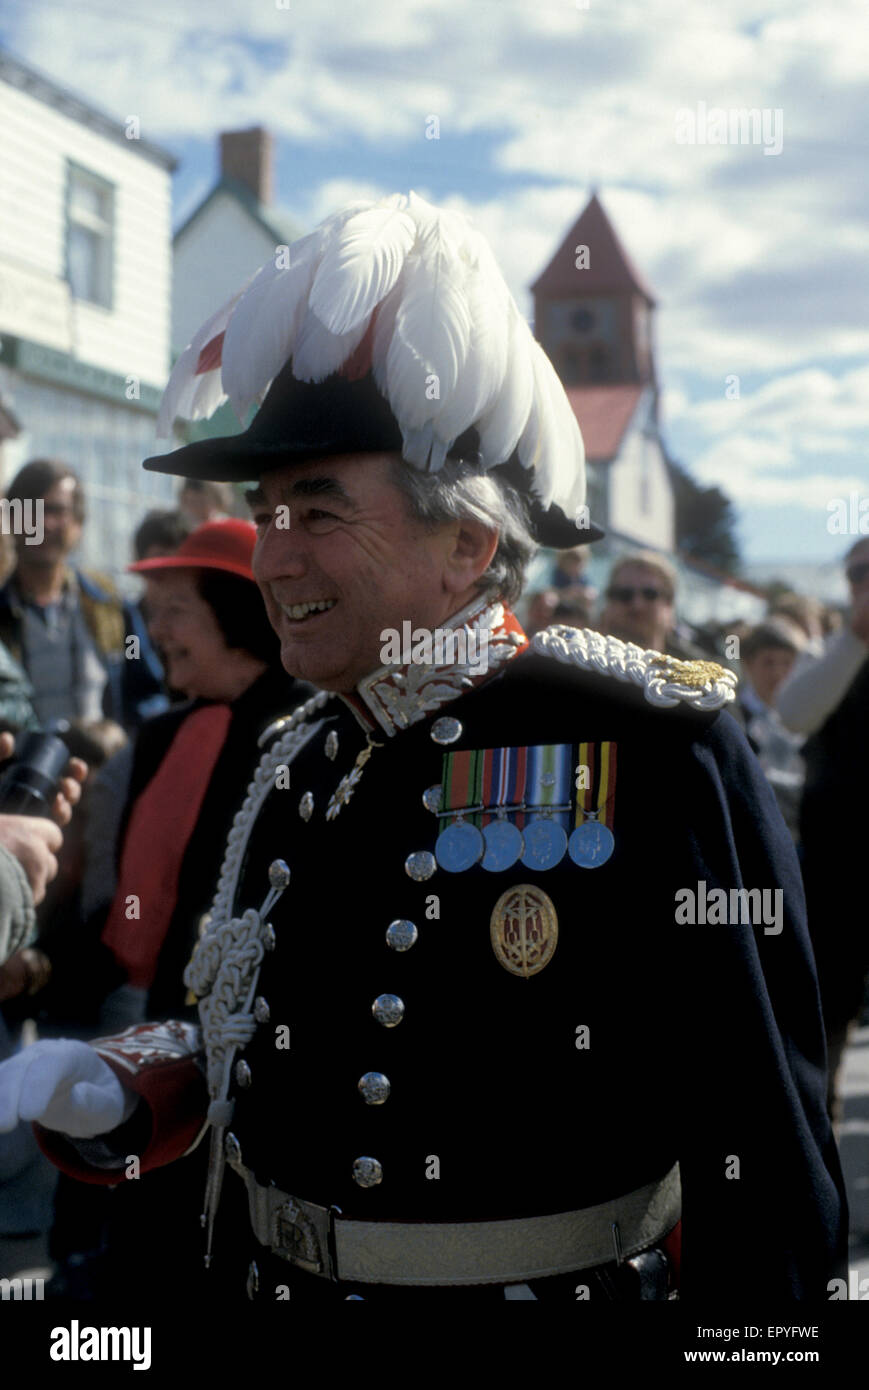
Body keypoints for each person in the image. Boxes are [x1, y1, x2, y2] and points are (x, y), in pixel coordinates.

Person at [0, 193, 846, 1304]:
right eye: (265, 515)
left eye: (318, 510)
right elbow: (252, 1038)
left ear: (467, 541)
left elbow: (763, 1168)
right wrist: (127, 1081)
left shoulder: (645, 746)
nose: (272, 560)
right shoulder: (296, 756)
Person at [776, 538, 869, 1120]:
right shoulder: (828, 652)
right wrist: (856, 639)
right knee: (829, 1009)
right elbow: (793, 712)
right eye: (859, 572)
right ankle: (823, 1122)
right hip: (838, 872)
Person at [0, 460, 163, 732]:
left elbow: (140, 677)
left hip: (105, 769)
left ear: (78, 521)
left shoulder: (111, 605)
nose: (42, 523)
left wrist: (129, 750)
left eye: (55, 510)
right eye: (30, 509)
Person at [731, 620, 806, 840]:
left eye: (786, 663)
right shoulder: (733, 712)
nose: (778, 672)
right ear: (748, 664)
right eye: (768, 662)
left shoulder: (806, 715)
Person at [597, 551, 703, 659]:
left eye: (650, 595)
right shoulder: (584, 656)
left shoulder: (691, 672)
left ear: (669, 604)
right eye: (625, 594)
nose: (637, 605)